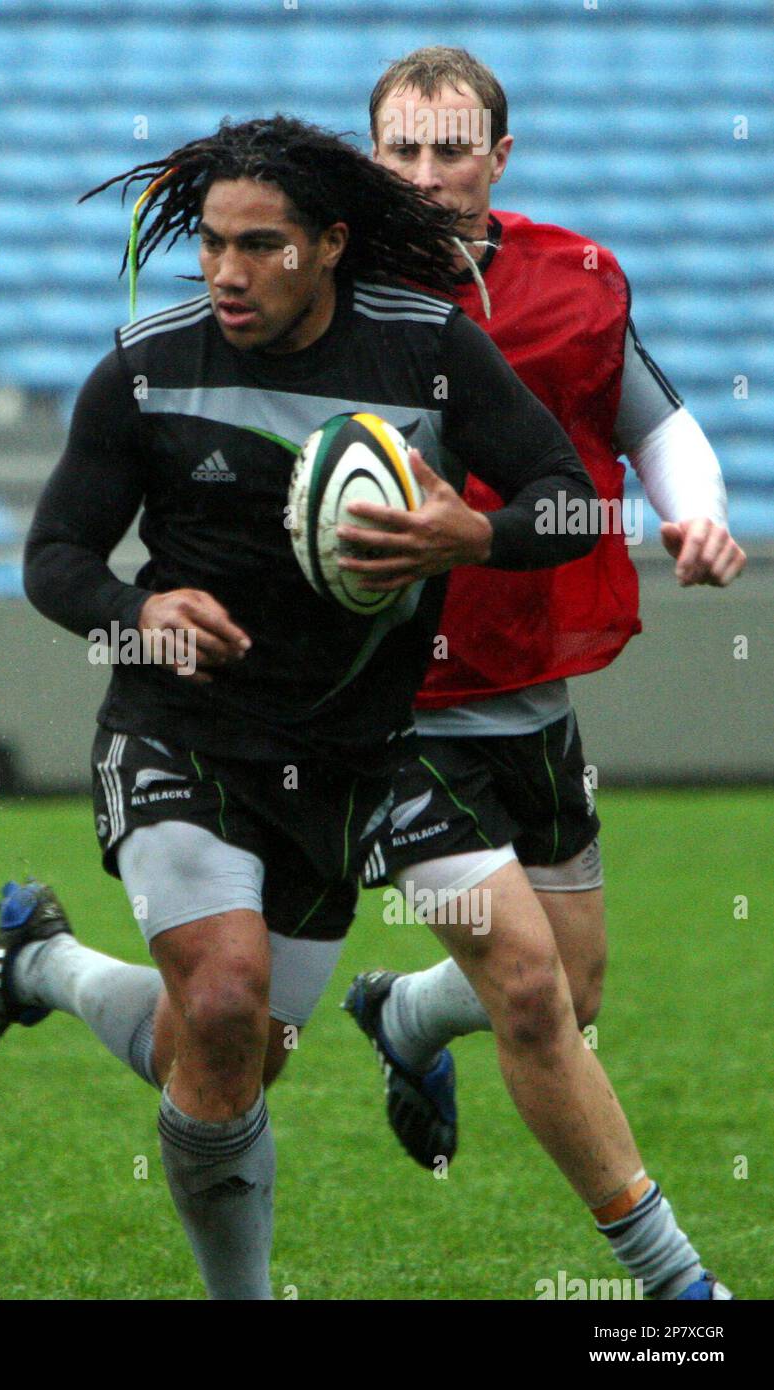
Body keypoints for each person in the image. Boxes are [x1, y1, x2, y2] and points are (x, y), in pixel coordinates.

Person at [0, 114, 597, 1299]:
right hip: (175, 734)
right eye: (209, 244)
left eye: (259, 246)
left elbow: (571, 506)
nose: (225, 272)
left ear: (331, 245)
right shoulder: (146, 366)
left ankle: (40, 966)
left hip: (340, 762)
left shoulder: (430, 350)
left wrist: (477, 532)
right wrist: (136, 614)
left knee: (222, 1056)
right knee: (227, 995)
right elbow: (53, 561)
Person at [341, 46, 740, 1300]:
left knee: (573, 989)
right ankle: (676, 1290)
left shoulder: (573, 279)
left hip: (529, 688)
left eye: (449, 147)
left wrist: (697, 513)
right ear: (369, 158)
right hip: (386, 701)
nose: (424, 172)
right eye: (398, 150)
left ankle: (398, 1015)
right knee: (520, 991)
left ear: (497, 158)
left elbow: (655, 423)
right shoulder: (321, 284)